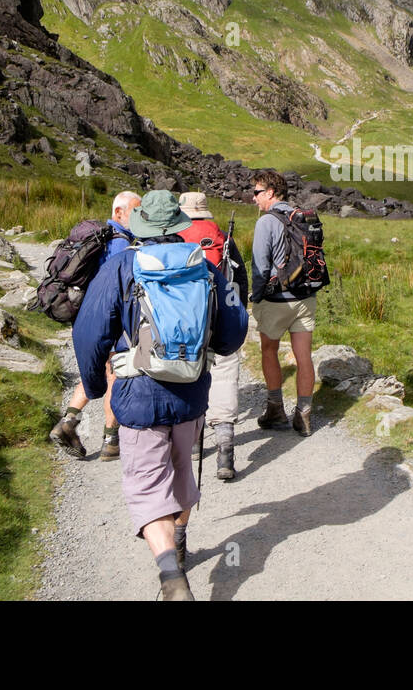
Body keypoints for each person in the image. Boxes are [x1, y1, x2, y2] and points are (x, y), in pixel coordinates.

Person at [72, 191, 246, 601]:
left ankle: (171, 576)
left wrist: (96, 389)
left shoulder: (121, 266)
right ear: (179, 227)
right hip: (191, 394)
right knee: (181, 466)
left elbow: (89, 332)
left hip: (138, 394)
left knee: (148, 483)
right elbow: (233, 331)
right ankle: (180, 539)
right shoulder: (203, 267)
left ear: (143, 227)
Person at [49, 190, 141, 461]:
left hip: (86, 318)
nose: (139, 217)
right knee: (115, 373)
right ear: (118, 213)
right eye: (135, 212)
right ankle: (111, 441)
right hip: (108, 320)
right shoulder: (120, 244)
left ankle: (68, 422)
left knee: (99, 371)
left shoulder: (100, 239)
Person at [178, 191, 248, 481]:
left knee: (192, 377)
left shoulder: (175, 238)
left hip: (186, 322)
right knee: (225, 374)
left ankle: (193, 444)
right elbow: (240, 283)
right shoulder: (222, 237)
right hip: (221, 316)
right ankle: (225, 449)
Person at [249, 170, 318, 436]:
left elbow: (260, 266)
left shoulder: (267, 222)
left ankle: (276, 410)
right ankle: (304, 415)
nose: (254, 198)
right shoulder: (301, 217)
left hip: (277, 298)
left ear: (270, 193)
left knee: (269, 350)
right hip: (306, 297)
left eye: (256, 192)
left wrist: (256, 296)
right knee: (304, 357)